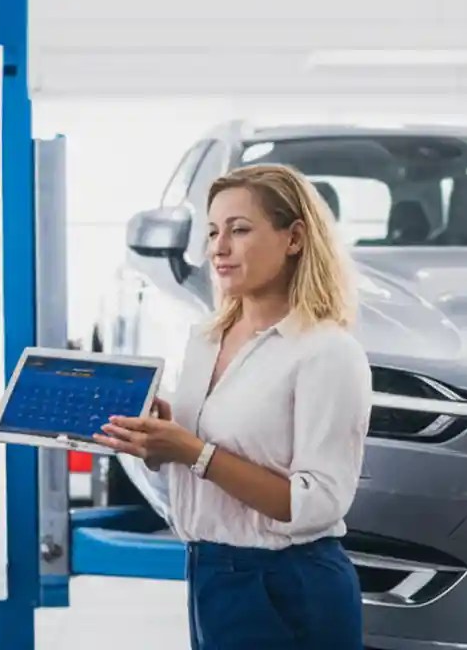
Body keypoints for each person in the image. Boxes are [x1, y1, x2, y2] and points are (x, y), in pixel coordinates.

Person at [94, 163, 372, 649]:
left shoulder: (326, 351)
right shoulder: (206, 339)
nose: (218, 248)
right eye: (212, 232)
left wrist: (194, 452)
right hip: (209, 573)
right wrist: (161, 447)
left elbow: (317, 503)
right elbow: (195, 473)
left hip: (287, 584)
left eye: (239, 230)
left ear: (295, 238)